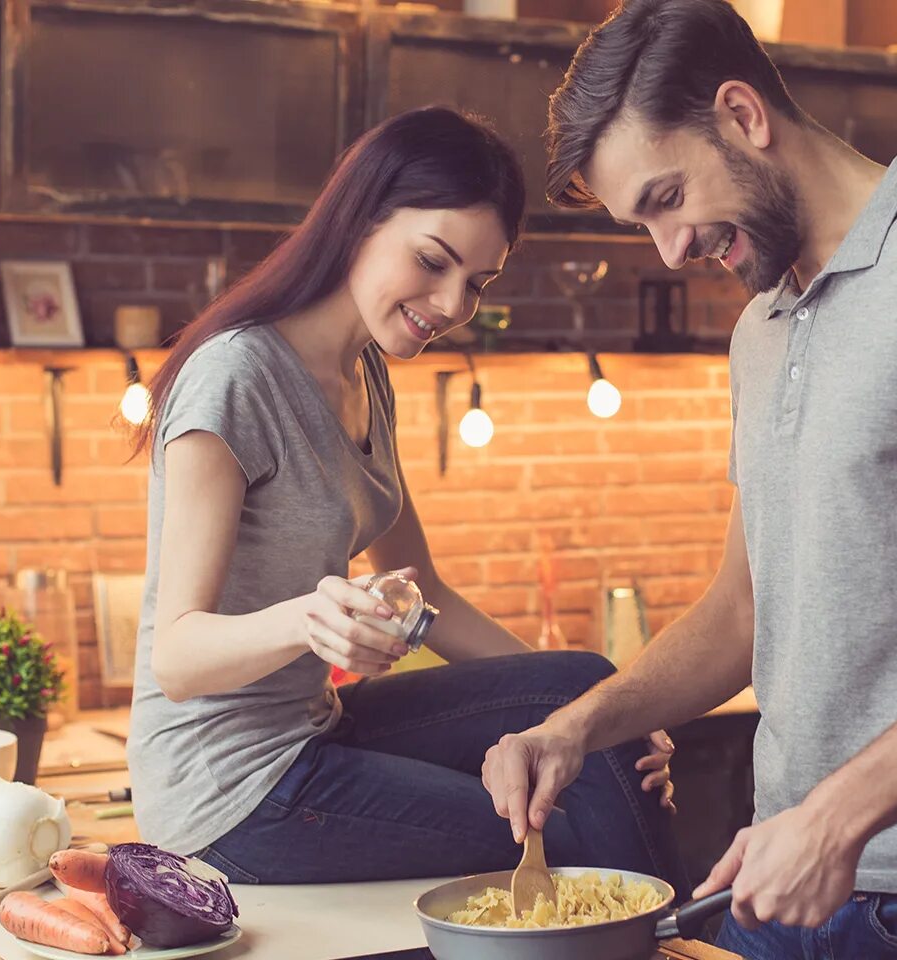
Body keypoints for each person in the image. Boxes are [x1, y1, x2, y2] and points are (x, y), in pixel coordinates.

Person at [480, 1, 897, 955]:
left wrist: (836, 821)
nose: (670, 250)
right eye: (645, 222)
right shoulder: (759, 329)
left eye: (668, 199)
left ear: (743, 114)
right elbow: (741, 612)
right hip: (777, 889)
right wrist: (575, 729)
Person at [125, 106, 678, 887]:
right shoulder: (236, 377)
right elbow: (176, 657)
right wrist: (310, 619)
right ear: (358, 222)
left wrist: (603, 719)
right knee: (570, 824)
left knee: (583, 680)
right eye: (432, 260)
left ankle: (671, 927)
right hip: (231, 792)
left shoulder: (366, 372)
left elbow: (429, 595)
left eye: (476, 282)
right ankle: (678, 940)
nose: (454, 304)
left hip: (317, 731)